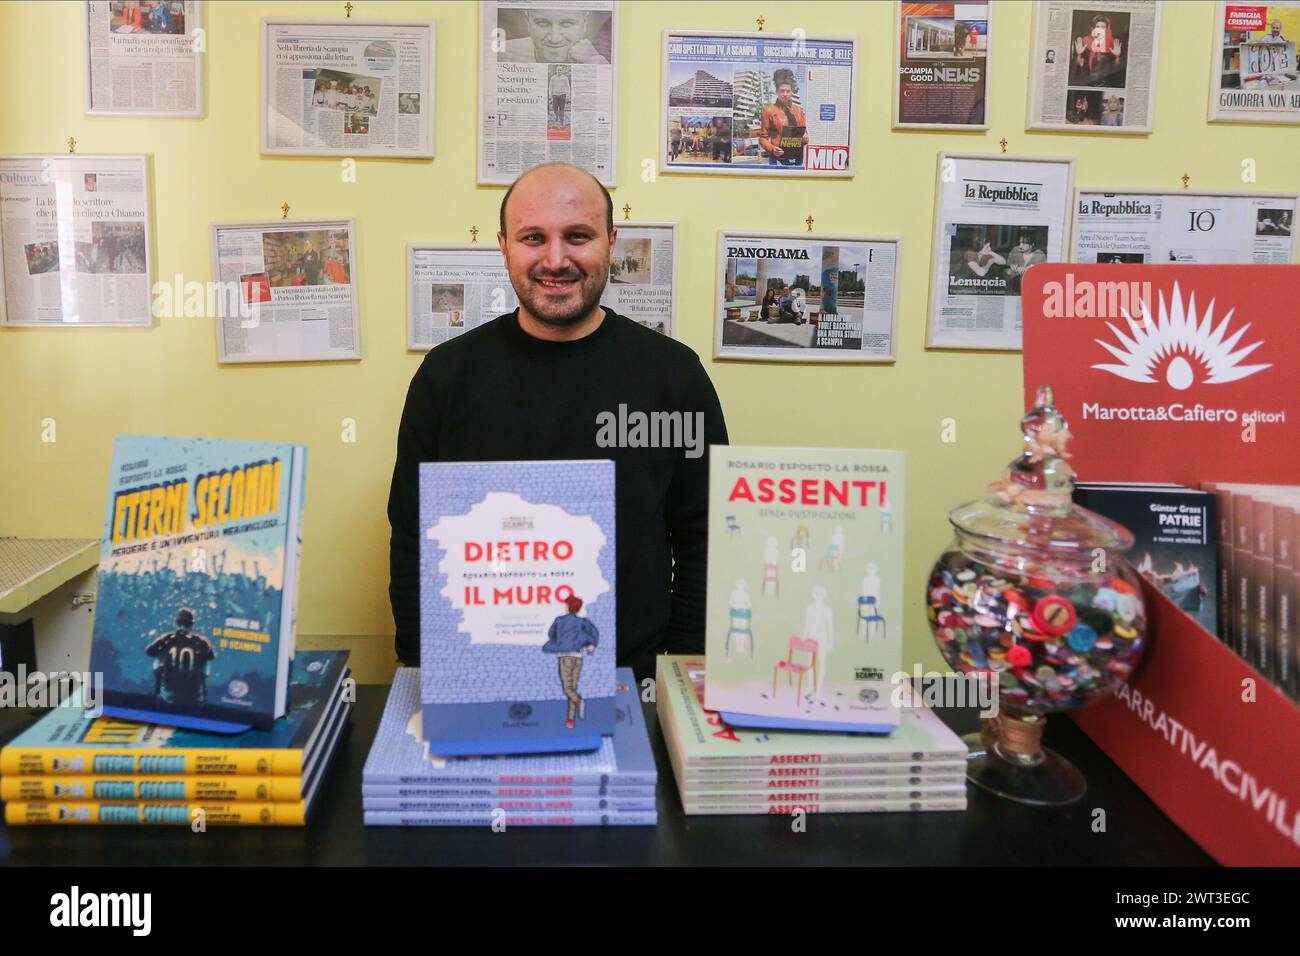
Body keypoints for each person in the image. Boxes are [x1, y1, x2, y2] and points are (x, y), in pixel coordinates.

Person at [387, 162, 729, 681]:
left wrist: (675, 672)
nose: (555, 259)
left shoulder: (672, 378)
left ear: (611, 243)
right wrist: (423, 665)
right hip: (477, 678)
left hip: (629, 683)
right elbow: (414, 537)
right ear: (503, 246)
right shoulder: (447, 377)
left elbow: (705, 536)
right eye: (533, 237)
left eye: (577, 236)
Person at [542, 595, 598, 727]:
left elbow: (551, 635)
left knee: (567, 688)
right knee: (573, 687)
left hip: (565, 658)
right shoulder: (583, 622)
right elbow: (594, 632)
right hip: (578, 658)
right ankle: (571, 719)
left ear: (568, 607)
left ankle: (579, 701)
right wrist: (592, 644)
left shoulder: (559, 621)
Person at [145, 608, 216, 708]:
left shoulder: (166, 639)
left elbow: (149, 652)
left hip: (168, 694)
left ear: (175, 622)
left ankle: (157, 690)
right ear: (192, 624)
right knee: (205, 661)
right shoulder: (201, 642)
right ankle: (201, 692)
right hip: (193, 695)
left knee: (158, 659)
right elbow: (209, 661)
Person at [500, 8, 606, 63]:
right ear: (528, 22)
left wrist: (594, 61)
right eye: (542, 24)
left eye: (566, 24)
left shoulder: (596, 59)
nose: (554, 39)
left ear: (585, 24)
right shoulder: (502, 53)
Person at [759, 69, 808, 167]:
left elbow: (804, 134)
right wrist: (772, 149)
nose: (785, 94)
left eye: (788, 91)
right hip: (778, 159)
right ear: (777, 91)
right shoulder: (769, 111)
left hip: (798, 159)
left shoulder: (799, 110)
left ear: (791, 92)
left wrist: (805, 138)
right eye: (782, 91)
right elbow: (762, 138)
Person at [1071, 14, 1124, 87]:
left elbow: (1116, 68)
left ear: (1107, 29)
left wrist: (1117, 56)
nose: (1100, 29)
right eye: (1097, 27)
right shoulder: (1085, 42)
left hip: (1105, 83)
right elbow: (1079, 66)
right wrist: (1079, 55)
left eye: (1103, 27)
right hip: (1087, 82)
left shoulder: (1113, 45)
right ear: (1093, 29)